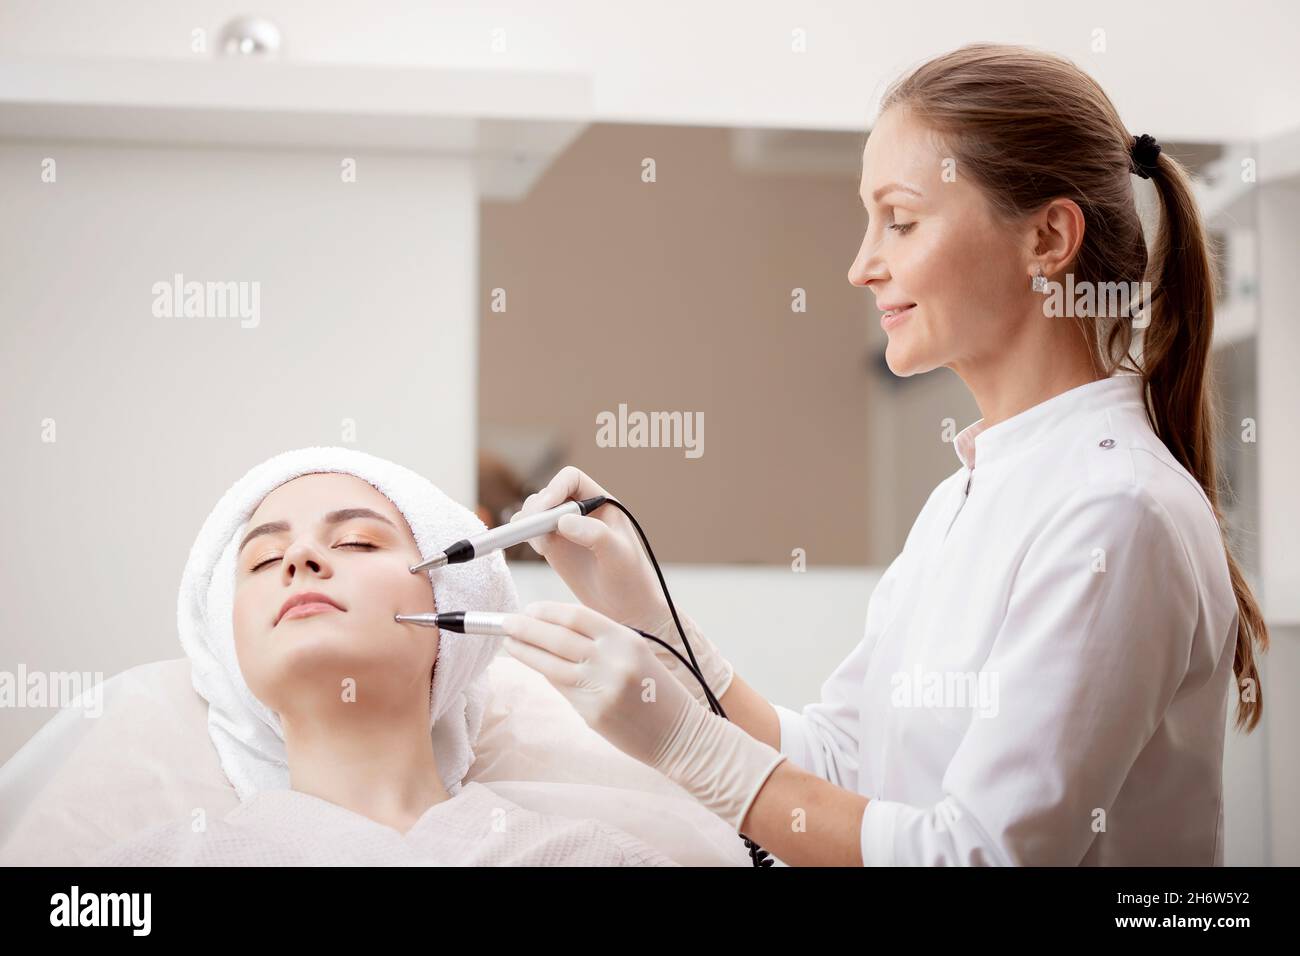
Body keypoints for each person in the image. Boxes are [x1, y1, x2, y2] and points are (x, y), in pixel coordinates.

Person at [499, 43, 1269, 867]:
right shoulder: (965, 500)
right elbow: (840, 764)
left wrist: (684, 744)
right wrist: (657, 626)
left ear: (1048, 238)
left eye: (899, 220)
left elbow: (975, 855)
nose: (863, 266)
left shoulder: (1116, 513)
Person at [93, 447, 674, 866]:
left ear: (452, 605)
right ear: (230, 641)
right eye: (265, 558)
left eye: (356, 543)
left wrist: (686, 665)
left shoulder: (585, 859)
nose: (298, 556)